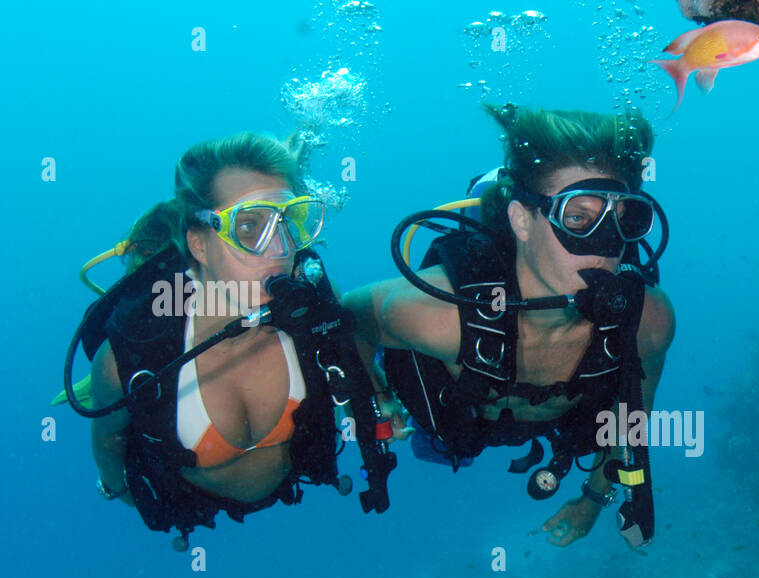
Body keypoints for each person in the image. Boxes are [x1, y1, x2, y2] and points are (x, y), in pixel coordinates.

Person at [344, 105, 675, 548]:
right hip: (456, 413)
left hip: (553, 423)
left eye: (624, 219)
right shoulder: (437, 316)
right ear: (522, 220)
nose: (606, 246)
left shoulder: (647, 322)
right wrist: (376, 399)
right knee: (432, 446)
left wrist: (594, 499)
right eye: (577, 217)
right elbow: (349, 316)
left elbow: (632, 413)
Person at [63, 132, 395, 548]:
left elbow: (352, 351)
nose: (279, 250)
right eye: (249, 226)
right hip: (195, 502)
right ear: (199, 243)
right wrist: (118, 490)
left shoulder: (312, 309)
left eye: (289, 222)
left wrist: (380, 397)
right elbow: (109, 438)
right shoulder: (130, 357)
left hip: (296, 478)